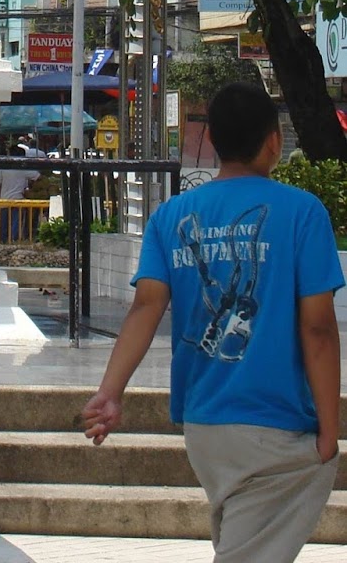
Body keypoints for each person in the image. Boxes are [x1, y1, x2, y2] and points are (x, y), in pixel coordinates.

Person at [82, 82, 342, 562]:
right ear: (274, 141)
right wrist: (330, 428)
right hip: (276, 423)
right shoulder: (304, 213)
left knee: (242, 538)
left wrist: (110, 391)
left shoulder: (172, 217)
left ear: (215, 142)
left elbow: (145, 308)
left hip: (203, 424)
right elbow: (319, 329)